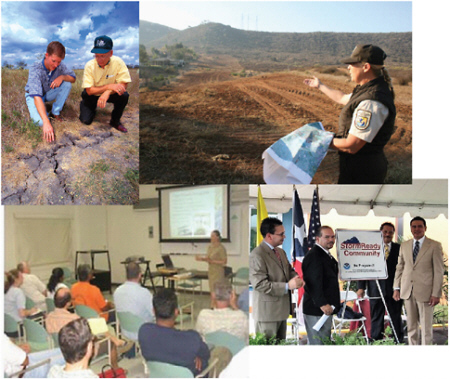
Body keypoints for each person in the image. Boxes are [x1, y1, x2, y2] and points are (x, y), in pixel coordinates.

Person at [304, 44, 396, 184]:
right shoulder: (367, 90)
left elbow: (351, 145)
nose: (348, 67)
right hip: (360, 168)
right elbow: (342, 98)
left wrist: (320, 139)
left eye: (352, 64)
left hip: (363, 173)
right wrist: (319, 85)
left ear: (366, 67)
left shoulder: (371, 103)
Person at [139, 288, 231, 376]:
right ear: (176, 312)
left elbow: (165, 343)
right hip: (194, 374)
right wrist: (194, 354)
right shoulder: (191, 339)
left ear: (154, 311)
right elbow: (206, 355)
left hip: (160, 374)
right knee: (224, 352)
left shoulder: (144, 331)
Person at [249, 217, 303, 341]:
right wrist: (287, 286)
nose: (284, 237)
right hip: (267, 314)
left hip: (282, 311)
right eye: (281, 234)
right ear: (269, 236)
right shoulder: (257, 255)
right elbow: (260, 284)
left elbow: (289, 271)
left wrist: (296, 278)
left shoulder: (280, 252)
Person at [393, 216, 444, 345]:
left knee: (426, 328)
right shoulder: (404, 246)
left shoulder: (434, 245)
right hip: (407, 291)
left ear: (425, 228)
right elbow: (400, 267)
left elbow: (438, 271)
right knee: (411, 327)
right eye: (414, 226)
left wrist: (436, 293)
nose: (417, 229)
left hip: (426, 293)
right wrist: (396, 288)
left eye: (420, 226)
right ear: (410, 228)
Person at [46, 288, 126, 370]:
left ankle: (116, 341)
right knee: (110, 341)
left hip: (61, 349)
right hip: (79, 353)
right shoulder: (74, 319)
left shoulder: (49, 317)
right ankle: (116, 368)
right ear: (68, 303)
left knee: (97, 326)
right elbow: (86, 338)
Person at [357, 222, 403, 342]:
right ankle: (376, 341)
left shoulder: (400, 249)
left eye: (390, 232)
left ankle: (398, 341)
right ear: (380, 232)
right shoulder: (371, 248)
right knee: (376, 316)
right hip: (375, 288)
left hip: (395, 289)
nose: (387, 234)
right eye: (385, 232)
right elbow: (364, 267)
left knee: (395, 316)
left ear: (393, 233)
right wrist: (361, 287)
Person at [25, 41, 76, 142]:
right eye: (53, 61)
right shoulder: (36, 68)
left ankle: (55, 112)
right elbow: (37, 97)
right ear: (46, 55)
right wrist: (46, 121)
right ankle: (46, 116)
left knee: (67, 83)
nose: (56, 65)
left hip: (48, 93)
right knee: (40, 122)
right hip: (34, 95)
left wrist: (62, 77)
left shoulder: (60, 65)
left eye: (59, 62)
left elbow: (73, 78)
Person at [80, 35, 131, 133]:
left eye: (103, 56)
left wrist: (107, 92)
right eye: (97, 56)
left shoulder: (118, 62)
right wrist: (108, 86)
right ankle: (90, 107)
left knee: (124, 95)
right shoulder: (89, 65)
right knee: (85, 120)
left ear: (111, 53)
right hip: (92, 95)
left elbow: (123, 84)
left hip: (110, 94)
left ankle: (115, 121)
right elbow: (89, 90)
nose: (99, 59)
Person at [302, 226, 341, 345]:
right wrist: (322, 304)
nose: (331, 240)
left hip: (325, 309)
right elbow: (313, 282)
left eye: (333, 237)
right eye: (327, 237)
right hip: (317, 309)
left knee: (323, 342)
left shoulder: (325, 254)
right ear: (318, 238)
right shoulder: (314, 255)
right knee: (318, 344)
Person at [113, 262, 155, 340]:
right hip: (143, 332)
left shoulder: (117, 291)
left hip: (125, 332)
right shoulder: (144, 293)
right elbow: (154, 313)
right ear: (140, 275)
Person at [196, 230, 228, 308]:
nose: (211, 237)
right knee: (212, 290)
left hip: (218, 272)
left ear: (217, 237)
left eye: (213, 236)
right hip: (211, 271)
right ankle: (212, 306)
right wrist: (201, 259)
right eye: (211, 236)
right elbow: (208, 259)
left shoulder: (221, 248)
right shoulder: (210, 247)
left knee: (216, 290)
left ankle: (217, 306)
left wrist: (212, 261)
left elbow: (224, 261)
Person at [4, 270, 40, 335]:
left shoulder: (6, 290)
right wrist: (31, 311)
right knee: (40, 316)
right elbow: (22, 314)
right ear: (16, 279)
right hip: (18, 327)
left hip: (6, 326)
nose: (23, 278)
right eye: (21, 276)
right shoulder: (18, 292)